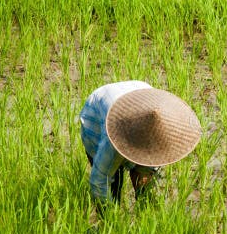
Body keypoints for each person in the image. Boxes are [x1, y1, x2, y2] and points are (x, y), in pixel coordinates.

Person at [79, 80, 201, 212]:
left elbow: (150, 164)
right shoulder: (111, 141)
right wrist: (110, 221)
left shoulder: (159, 117)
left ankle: (144, 214)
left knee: (145, 189)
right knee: (113, 188)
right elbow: (99, 181)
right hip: (97, 116)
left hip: (137, 96)